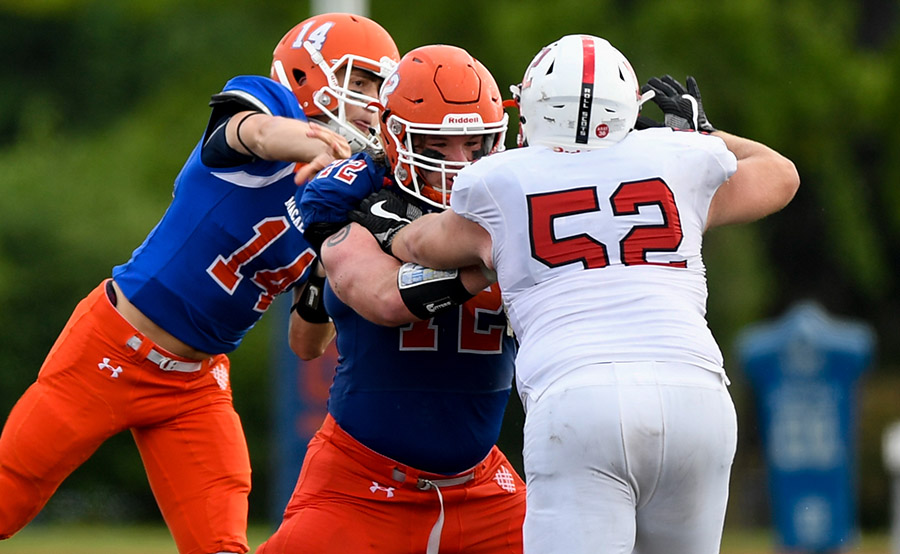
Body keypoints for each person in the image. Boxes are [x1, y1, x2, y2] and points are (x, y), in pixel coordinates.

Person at [348, 34, 801, 554]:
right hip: (696, 392)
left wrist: (382, 222)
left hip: (579, 396)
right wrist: (706, 131)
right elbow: (781, 176)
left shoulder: (502, 180)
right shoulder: (679, 160)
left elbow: (419, 244)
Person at [0, 13, 399, 554]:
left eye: (378, 89)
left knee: (220, 545)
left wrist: (330, 262)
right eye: (358, 83)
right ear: (307, 76)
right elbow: (251, 132)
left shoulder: (346, 195)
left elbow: (306, 345)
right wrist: (312, 144)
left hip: (194, 384)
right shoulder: (267, 108)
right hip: (113, 345)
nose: (370, 103)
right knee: (8, 496)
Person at [256, 44, 526, 554]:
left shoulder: (523, 192)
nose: (460, 163)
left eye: (476, 144)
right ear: (397, 138)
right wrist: (490, 261)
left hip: (485, 486)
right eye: (438, 144)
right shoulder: (349, 193)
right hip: (362, 483)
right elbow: (382, 298)